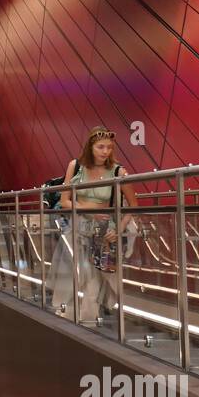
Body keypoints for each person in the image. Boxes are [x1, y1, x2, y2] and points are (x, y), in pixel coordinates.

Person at [51, 127, 137, 324]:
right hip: (79, 227)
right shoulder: (76, 167)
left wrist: (119, 229)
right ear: (90, 147)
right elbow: (65, 200)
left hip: (104, 231)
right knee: (77, 274)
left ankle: (87, 320)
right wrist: (85, 209)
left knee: (94, 277)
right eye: (100, 147)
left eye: (108, 147)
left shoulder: (118, 171)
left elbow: (134, 205)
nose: (105, 151)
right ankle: (73, 315)